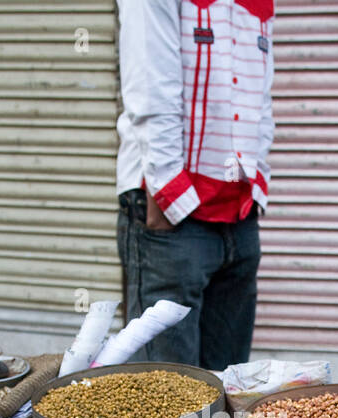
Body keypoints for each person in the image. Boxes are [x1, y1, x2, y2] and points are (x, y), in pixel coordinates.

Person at [115, 0, 273, 370]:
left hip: (238, 214)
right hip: (174, 216)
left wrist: (256, 183)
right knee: (163, 402)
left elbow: (259, 93)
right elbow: (151, 87)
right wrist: (167, 197)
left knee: (227, 393)